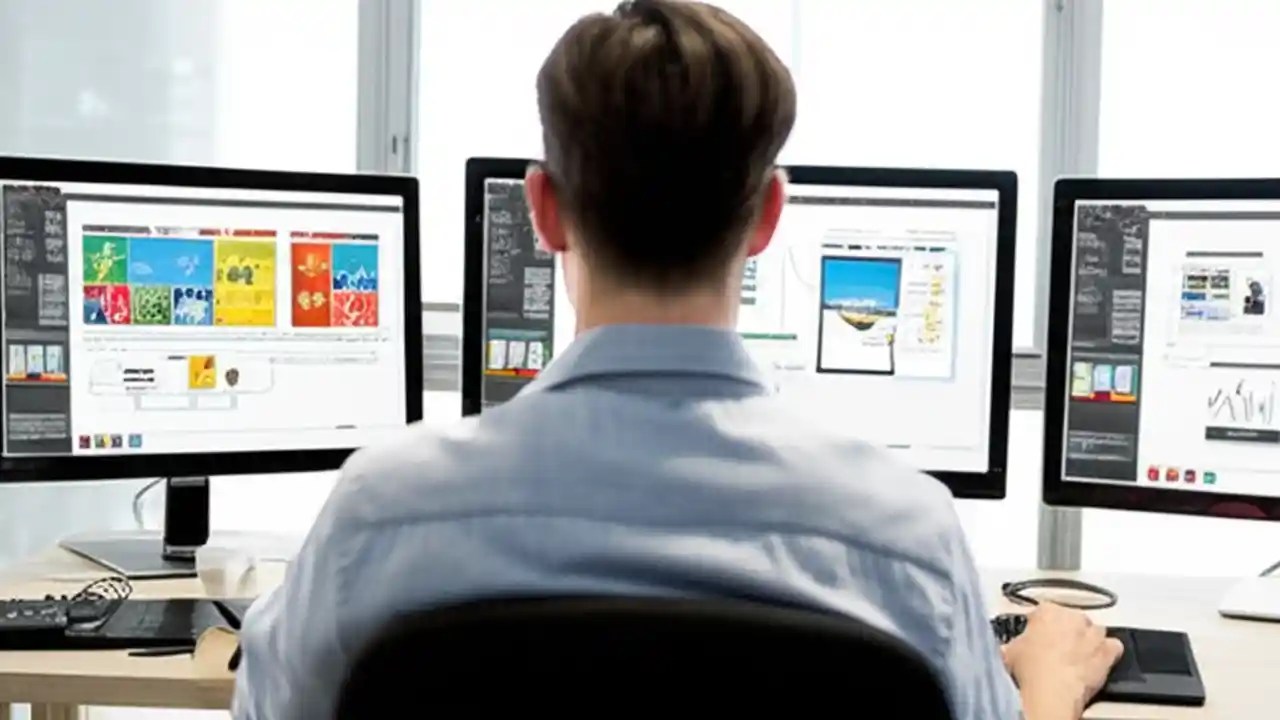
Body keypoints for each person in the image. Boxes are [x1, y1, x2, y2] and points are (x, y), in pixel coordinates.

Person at [232, 2, 1121, 718]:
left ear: (543, 210)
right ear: (768, 217)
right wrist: (1048, 685)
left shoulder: (383, 515)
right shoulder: (903, 537)